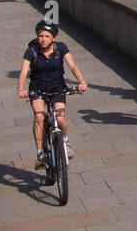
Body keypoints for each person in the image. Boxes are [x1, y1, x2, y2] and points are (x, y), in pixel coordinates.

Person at [16, 20, 86, 167]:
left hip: (57, 87)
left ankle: (65, 142)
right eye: (40, 36)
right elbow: (23, 73)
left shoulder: (60, 48)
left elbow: (72, 66)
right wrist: (21, 88)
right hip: (38, 89)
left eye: (47, 36)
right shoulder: (31, 51)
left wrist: (81, 82)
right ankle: (40, 153)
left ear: (53, 38)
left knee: (60, 119)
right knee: (39, 116)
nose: (43, 39)